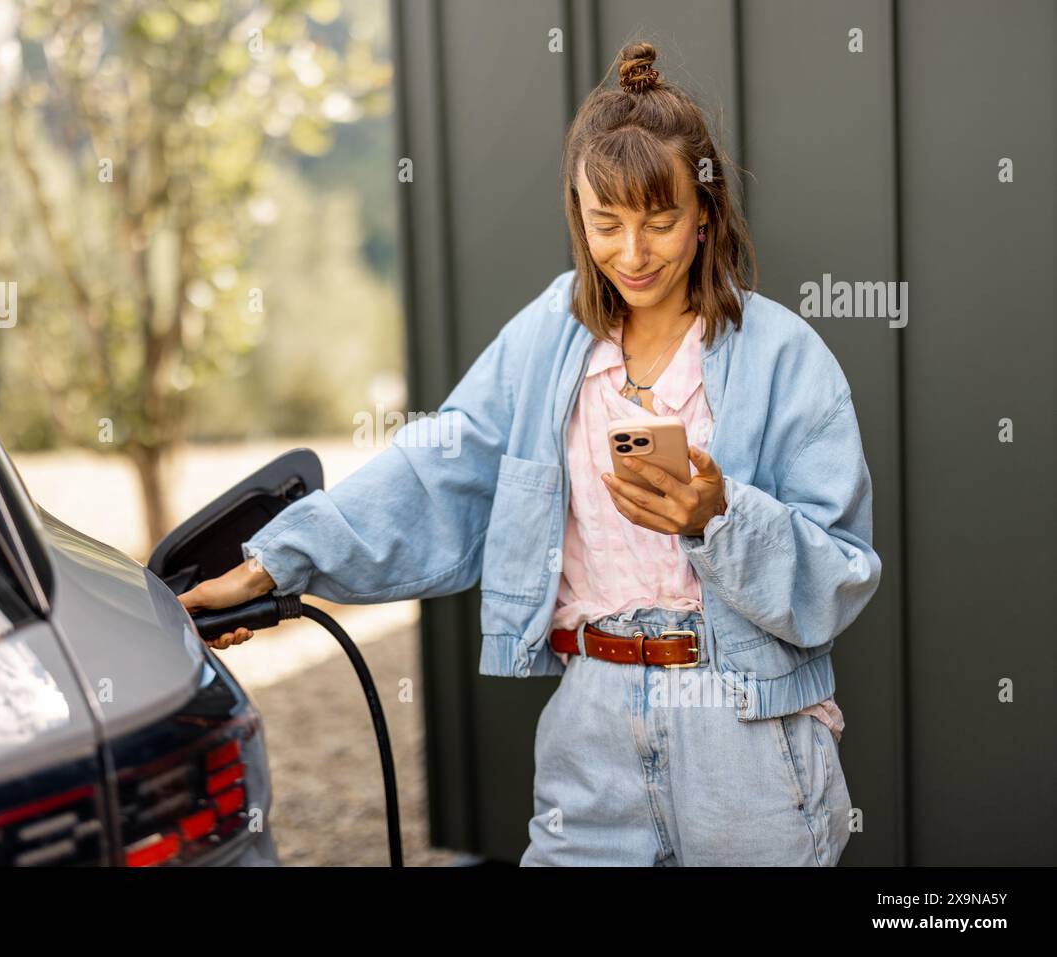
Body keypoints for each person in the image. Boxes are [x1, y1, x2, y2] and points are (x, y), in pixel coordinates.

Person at [179, 40, 881, 866]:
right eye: (605, 223)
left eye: (660, 221)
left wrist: (724, 517)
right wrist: (274, 563)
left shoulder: (786, 356)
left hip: (748, 734)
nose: (633, 252)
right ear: (578, 217)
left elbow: (841, 573)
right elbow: (436, 469)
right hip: (592, 726)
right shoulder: (550, 339)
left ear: (705, 212)